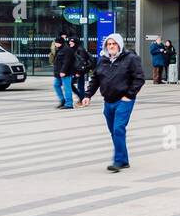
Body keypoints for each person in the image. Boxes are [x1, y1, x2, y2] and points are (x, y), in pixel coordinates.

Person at [78, 33, 145, 172]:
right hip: (108, 100)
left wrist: (129, 95)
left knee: (118, 128)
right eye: (109, 44)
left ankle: (118, 161)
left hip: (124, 100)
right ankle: (124, 160)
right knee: (114, 132)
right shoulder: (103, 60)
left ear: (119, 45)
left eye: (114, 44)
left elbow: (139, 79)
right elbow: (95, 79)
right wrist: (87, 95)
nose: (111, 46)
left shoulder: (131, 59)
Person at [52, 35, 77, 109]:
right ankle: (62, 100)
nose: (55, 44)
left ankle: (69, 104)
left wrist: (63, 71)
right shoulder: (59, 49)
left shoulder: (67, 50)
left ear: (60, 43)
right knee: (56, 85)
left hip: (65, 73)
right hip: (59, 73)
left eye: (56, 42)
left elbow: (67, 62)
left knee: (67, 87)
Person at [70, 35, 93, 104]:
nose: (69, 43)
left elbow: (82, 62)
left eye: (71, 41)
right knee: (76, 84)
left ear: (75, 42)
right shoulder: (74, 49)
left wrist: (79, 72)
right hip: (75, 70)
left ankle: (82, 99)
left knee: (79, 85)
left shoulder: (80, 50)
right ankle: (81, 97)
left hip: (79, 71)